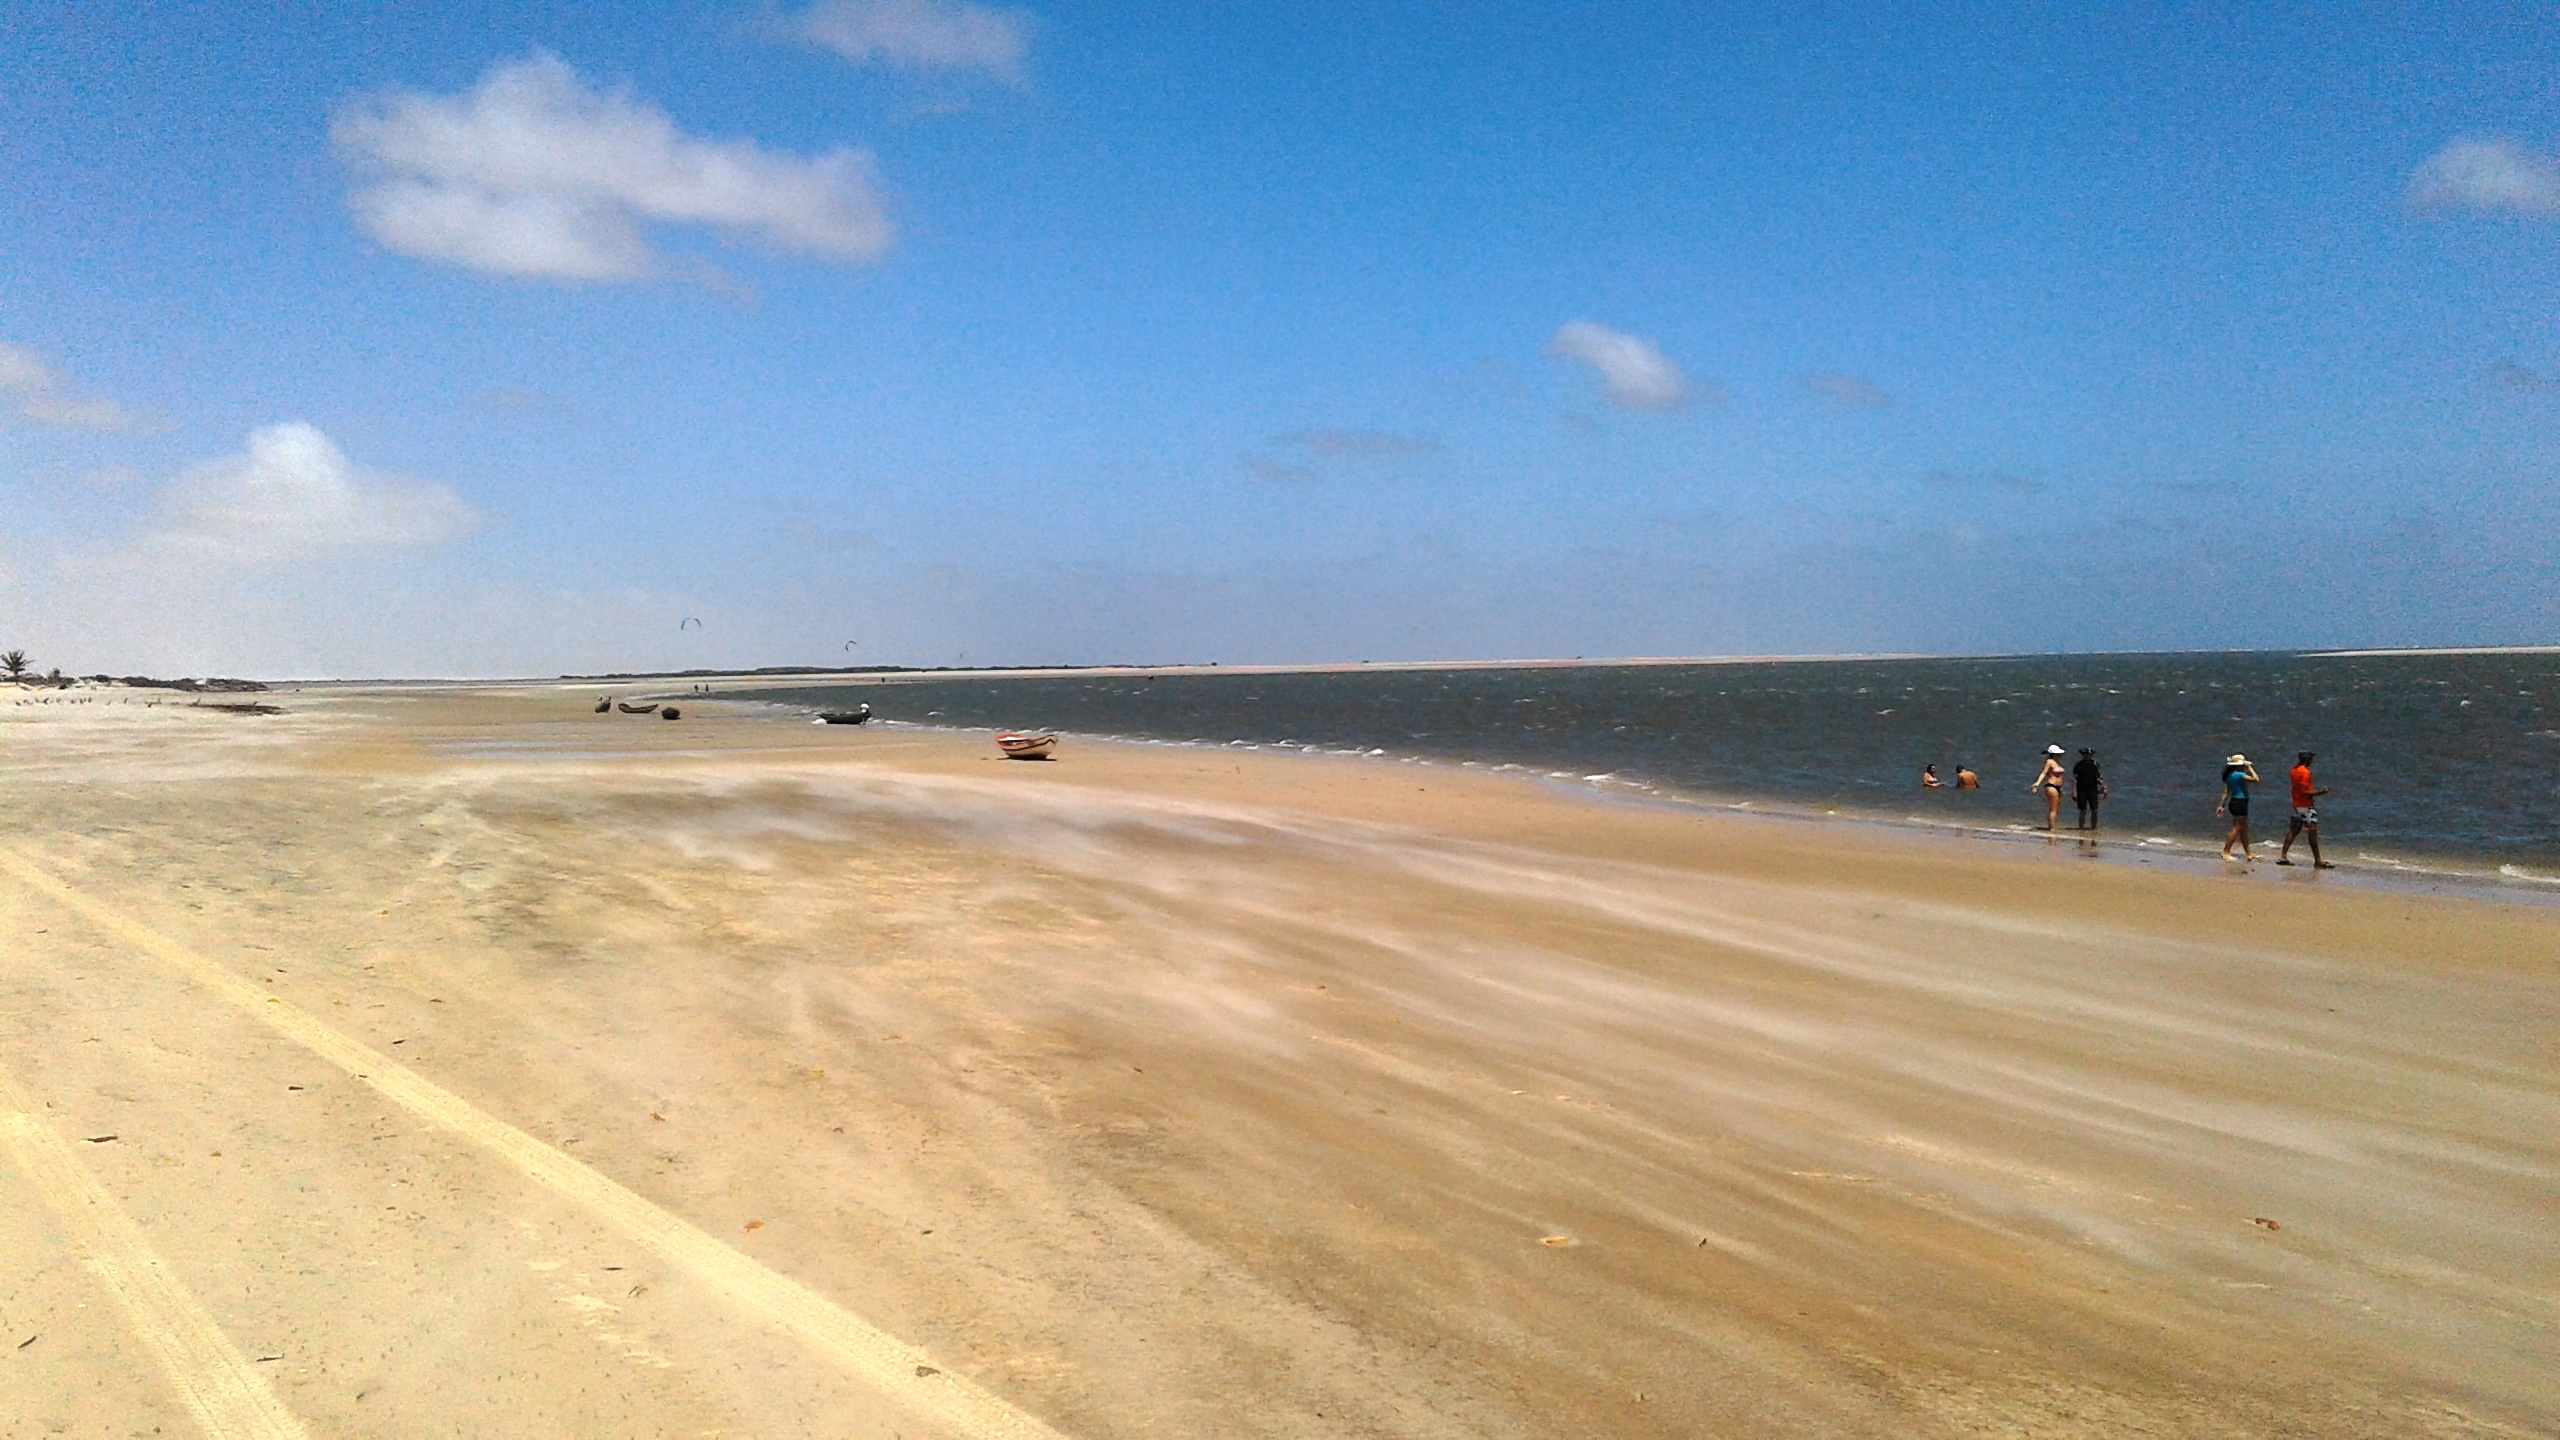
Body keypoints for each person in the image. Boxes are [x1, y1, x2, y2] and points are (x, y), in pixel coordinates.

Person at [2279, 751, 2332, 868]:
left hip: (2297, 803)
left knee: (2294, 829)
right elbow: (2305, 792)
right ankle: (2318, 860)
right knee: (2312, 831)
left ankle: (2283, 855)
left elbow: (2298, 789)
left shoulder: (2293, 771)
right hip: (2305, 805)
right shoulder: (2305, 773)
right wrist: (2321, 792)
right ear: (2307, 760)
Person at [2218, 753, 2260, 862]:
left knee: (2243, 828)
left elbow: (2226, 792)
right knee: (2237, 827)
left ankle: (2249, 853)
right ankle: (2226, 851)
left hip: (2236, 801)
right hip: (2239, 802)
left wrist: (2222, 805)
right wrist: (2250, 768)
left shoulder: (2230, 775)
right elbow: (2256, 779)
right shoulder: (2239, 775)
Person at [2028, 743, 2067, 831]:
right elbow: (2044, 773)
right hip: (2051, 786)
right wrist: (2037, 783)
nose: (2060, 755)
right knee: (2053, 809)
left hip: (2057, 788)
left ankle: (2052, 827)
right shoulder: (2049, 762)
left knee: (2055, 808)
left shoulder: (2056, 763)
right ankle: (2052, 829)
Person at [2071, 748, 2109, 830]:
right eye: (2085, 754)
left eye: (2089, 754)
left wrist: (2104, 787)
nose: (2087, 756)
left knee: (2094, 810)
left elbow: (2099, 777)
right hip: (2081, 790)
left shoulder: (2095, 764)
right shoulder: (2078, 765)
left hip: (2093, 790)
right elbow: (2074, 779)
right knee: (2082, 810)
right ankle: (2081, 829)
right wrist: (2074, 792)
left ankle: (2093, 828)